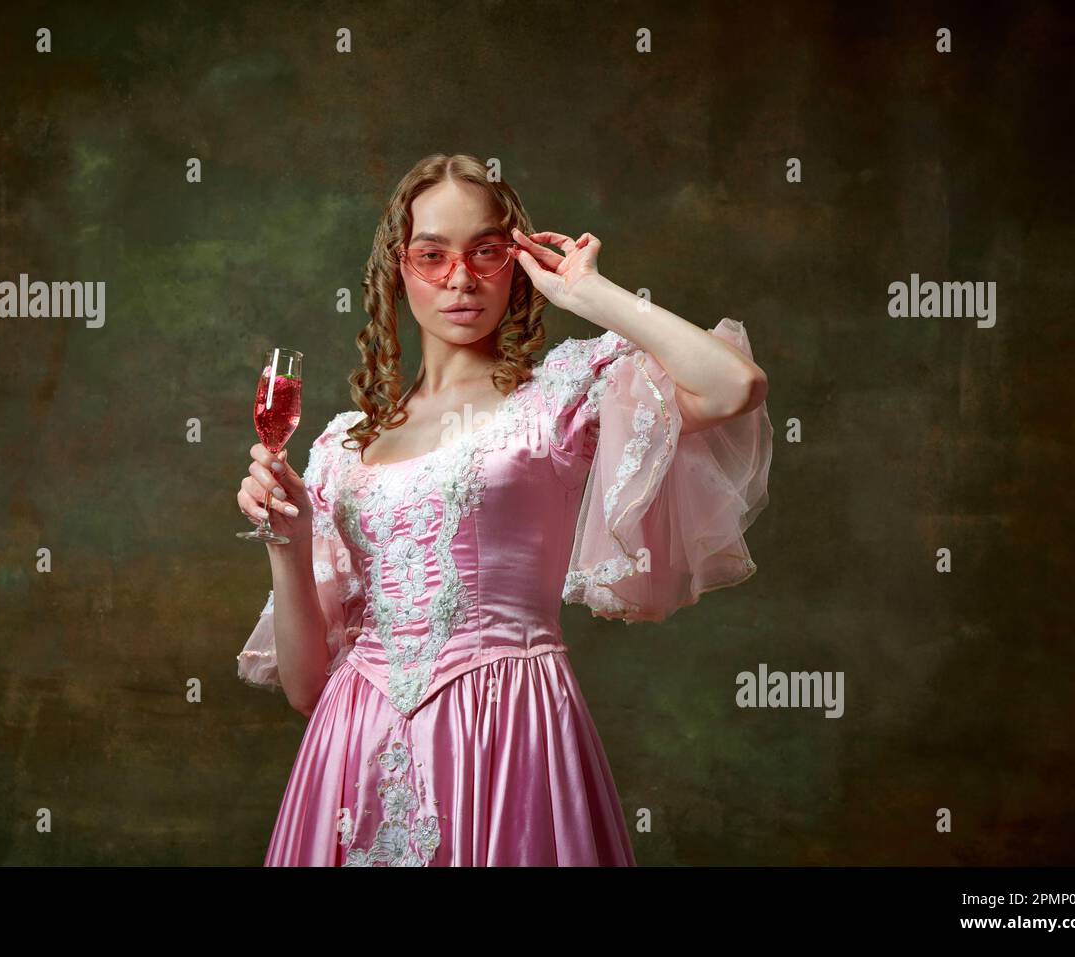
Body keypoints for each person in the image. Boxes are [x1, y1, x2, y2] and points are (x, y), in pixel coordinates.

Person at [235, 153, 773, 866]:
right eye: (433, 255)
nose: (461, 278)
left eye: (486, 251)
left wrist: (592, 290)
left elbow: (735, 385)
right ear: (398, 268)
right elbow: (307, 688)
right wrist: (287, 540)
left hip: (506, 737)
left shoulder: (559, 397)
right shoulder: (341, 446)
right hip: (351, 755)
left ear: (515, 260)